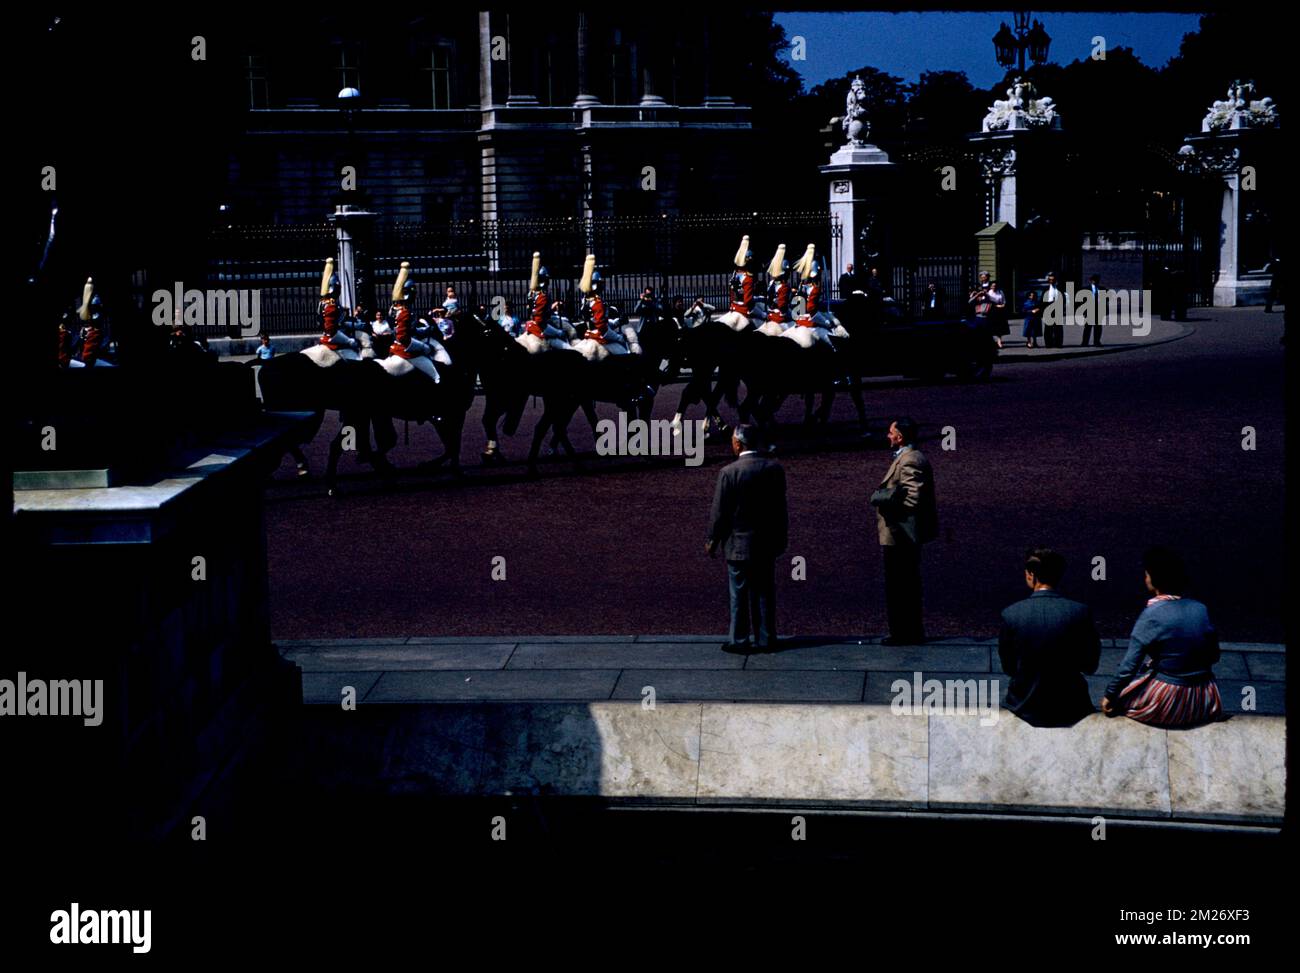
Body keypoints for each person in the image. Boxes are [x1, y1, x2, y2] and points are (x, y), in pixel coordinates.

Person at [1100, 547, 1222, 728]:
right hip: (1204, 698)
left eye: (1147, 575)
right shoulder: (1200, 608)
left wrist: (1110, 695)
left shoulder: (1151, 614)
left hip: (1168, 699)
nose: (1145, 578)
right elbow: (1214, 656)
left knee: (1122, 701)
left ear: (1154, 581)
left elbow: (1129, 667)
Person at [706, 424, 788, 653]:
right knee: (764, 593)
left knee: (739, 595)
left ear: (738, 443)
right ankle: (766, 637)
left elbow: (720, 512)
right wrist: (782, 537)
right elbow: (780, 509)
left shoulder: (729, 472)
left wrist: (712, 539)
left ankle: (739, 639)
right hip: (766, 542)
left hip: (737, 543)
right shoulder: (774, 469)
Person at [998, 548, 1102, 727]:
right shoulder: (1081, 612)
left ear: (1031, 575)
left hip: (1024, 703)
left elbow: (1009, 667)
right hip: (1071, 704)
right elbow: (1090, 666)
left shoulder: (1011, 614)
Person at [870, 417, 937, 645]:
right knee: (904, 585)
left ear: (900, 437)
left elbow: (912, 498)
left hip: (901, 535)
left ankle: (903, 632)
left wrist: (887, 504)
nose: (888, 436)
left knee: (900, 586)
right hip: (903, 534)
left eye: (891, 432)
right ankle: (907, 631)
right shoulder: (909, 457)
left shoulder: (910, 460)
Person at [1042, 272, 1064, 348]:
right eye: (1050, 280)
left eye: (1053, 280)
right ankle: (1048, 344)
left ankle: (1058, 343)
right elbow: (1042, 300)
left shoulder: (1059, 288)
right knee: (1048, 328)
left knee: (1058, 328)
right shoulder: (1046, 289)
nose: (1051, 281)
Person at [1080, 274, 1103, 347]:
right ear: (1091, 281)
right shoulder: (1086, 289)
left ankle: (1097, 342)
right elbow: (1083, 301)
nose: (1095, 281)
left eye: (1096, 280)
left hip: (1098, 311)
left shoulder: (1102, 289)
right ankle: (1085, 342)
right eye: (1093, 280)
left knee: (1098, 328)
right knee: (1087, 328)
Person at [986, 278, 1009, 349]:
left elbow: (1004, 300)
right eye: (993, 286)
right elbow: (988, 302)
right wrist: (995, 306)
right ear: (990, 286)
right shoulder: (989, 293)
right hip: (992, 311)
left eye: (995, 286)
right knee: (991, 327)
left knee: (1000, 327)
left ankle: (999, 342)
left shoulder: (1000, 292)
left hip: (1000, 311)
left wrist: (1003, 305)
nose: (994, 287)